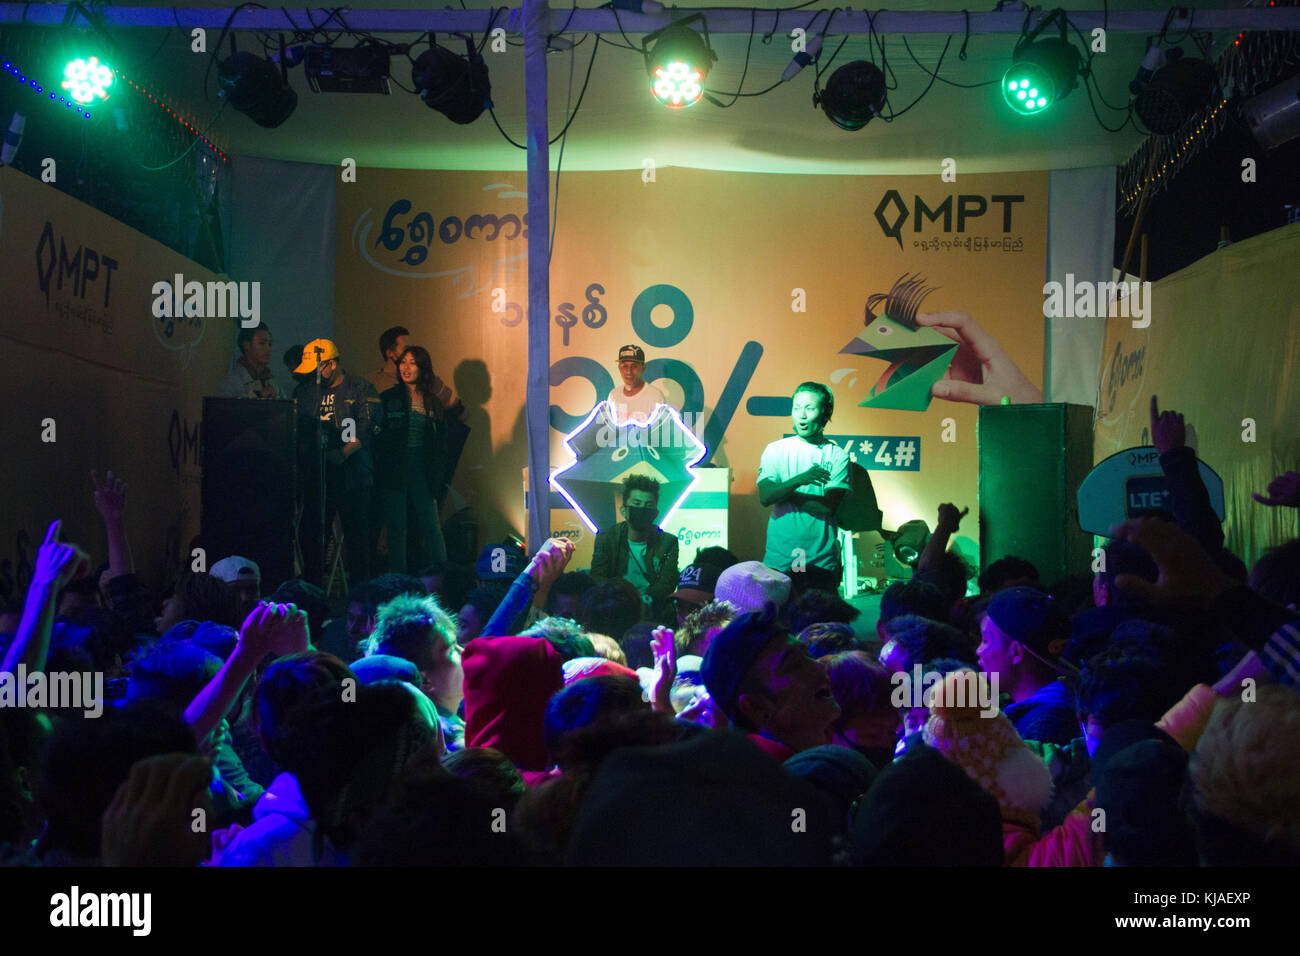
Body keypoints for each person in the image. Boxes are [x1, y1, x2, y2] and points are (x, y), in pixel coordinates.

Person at [700, 603, 841, 760]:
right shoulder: (771, 781)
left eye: (807, 654)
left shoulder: (828, 753)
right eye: (795, 665)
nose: (820, 667)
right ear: (757, 707)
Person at [293, 339, 380, 587]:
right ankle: (311, 588)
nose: (313, 374)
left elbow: (369, 425)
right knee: (311, 532)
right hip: (318, 475)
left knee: (357, 536)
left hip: (353, 475)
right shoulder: (306, 392)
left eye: (317, 368)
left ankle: (360, 594)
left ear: (330, 364)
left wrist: (343, 453)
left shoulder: (361, 388)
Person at [373, 346, 462, 571]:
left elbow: (441, 442)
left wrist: (438, 473)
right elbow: (378, 435)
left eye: (412, 362)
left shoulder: (433, 401)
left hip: (423, 468)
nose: (406, 367)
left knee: (431, 525)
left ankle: (443, 575)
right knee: (395, 527)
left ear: (423, 367)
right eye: (403, 362)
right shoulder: (389, 397)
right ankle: (397, 576)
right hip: (395, 467)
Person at [757, 382, 850, 593]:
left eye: (809, 408)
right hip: (778, 561)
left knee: (819, 624)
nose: (802, 415)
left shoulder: (837, 455)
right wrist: (800, 479)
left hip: (820, 562)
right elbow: (765, 496)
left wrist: (784, 493)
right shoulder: (775, 450)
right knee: (777, 624)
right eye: (797, 407)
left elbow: (827, 507)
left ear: (825, 413)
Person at [589, 475, 679, 622]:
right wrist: (621, 599)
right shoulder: (607, 537)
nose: (642, 509)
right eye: (637, 503)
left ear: (655, 513)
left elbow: (667, 582)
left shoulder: (668, 542)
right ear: (624, 510)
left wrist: (645, 601)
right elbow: (597, 577)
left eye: (648, 505)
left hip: (653, 611)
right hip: (614, 609)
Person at [606, 344, 667, 425]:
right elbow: (608, 428)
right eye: (624, 366)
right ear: (619, 368)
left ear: (643, 368)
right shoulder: (614, 395)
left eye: (634, 366)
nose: (629, 372)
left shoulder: (655, 396)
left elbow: (661, 431)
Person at [218, 324, 283, 399]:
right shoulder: (230, 383)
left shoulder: (274, 383)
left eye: (270, 344)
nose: (268, 348)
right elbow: (224, 409)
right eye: (262, 343)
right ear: (246, 345)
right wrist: (258, 396)